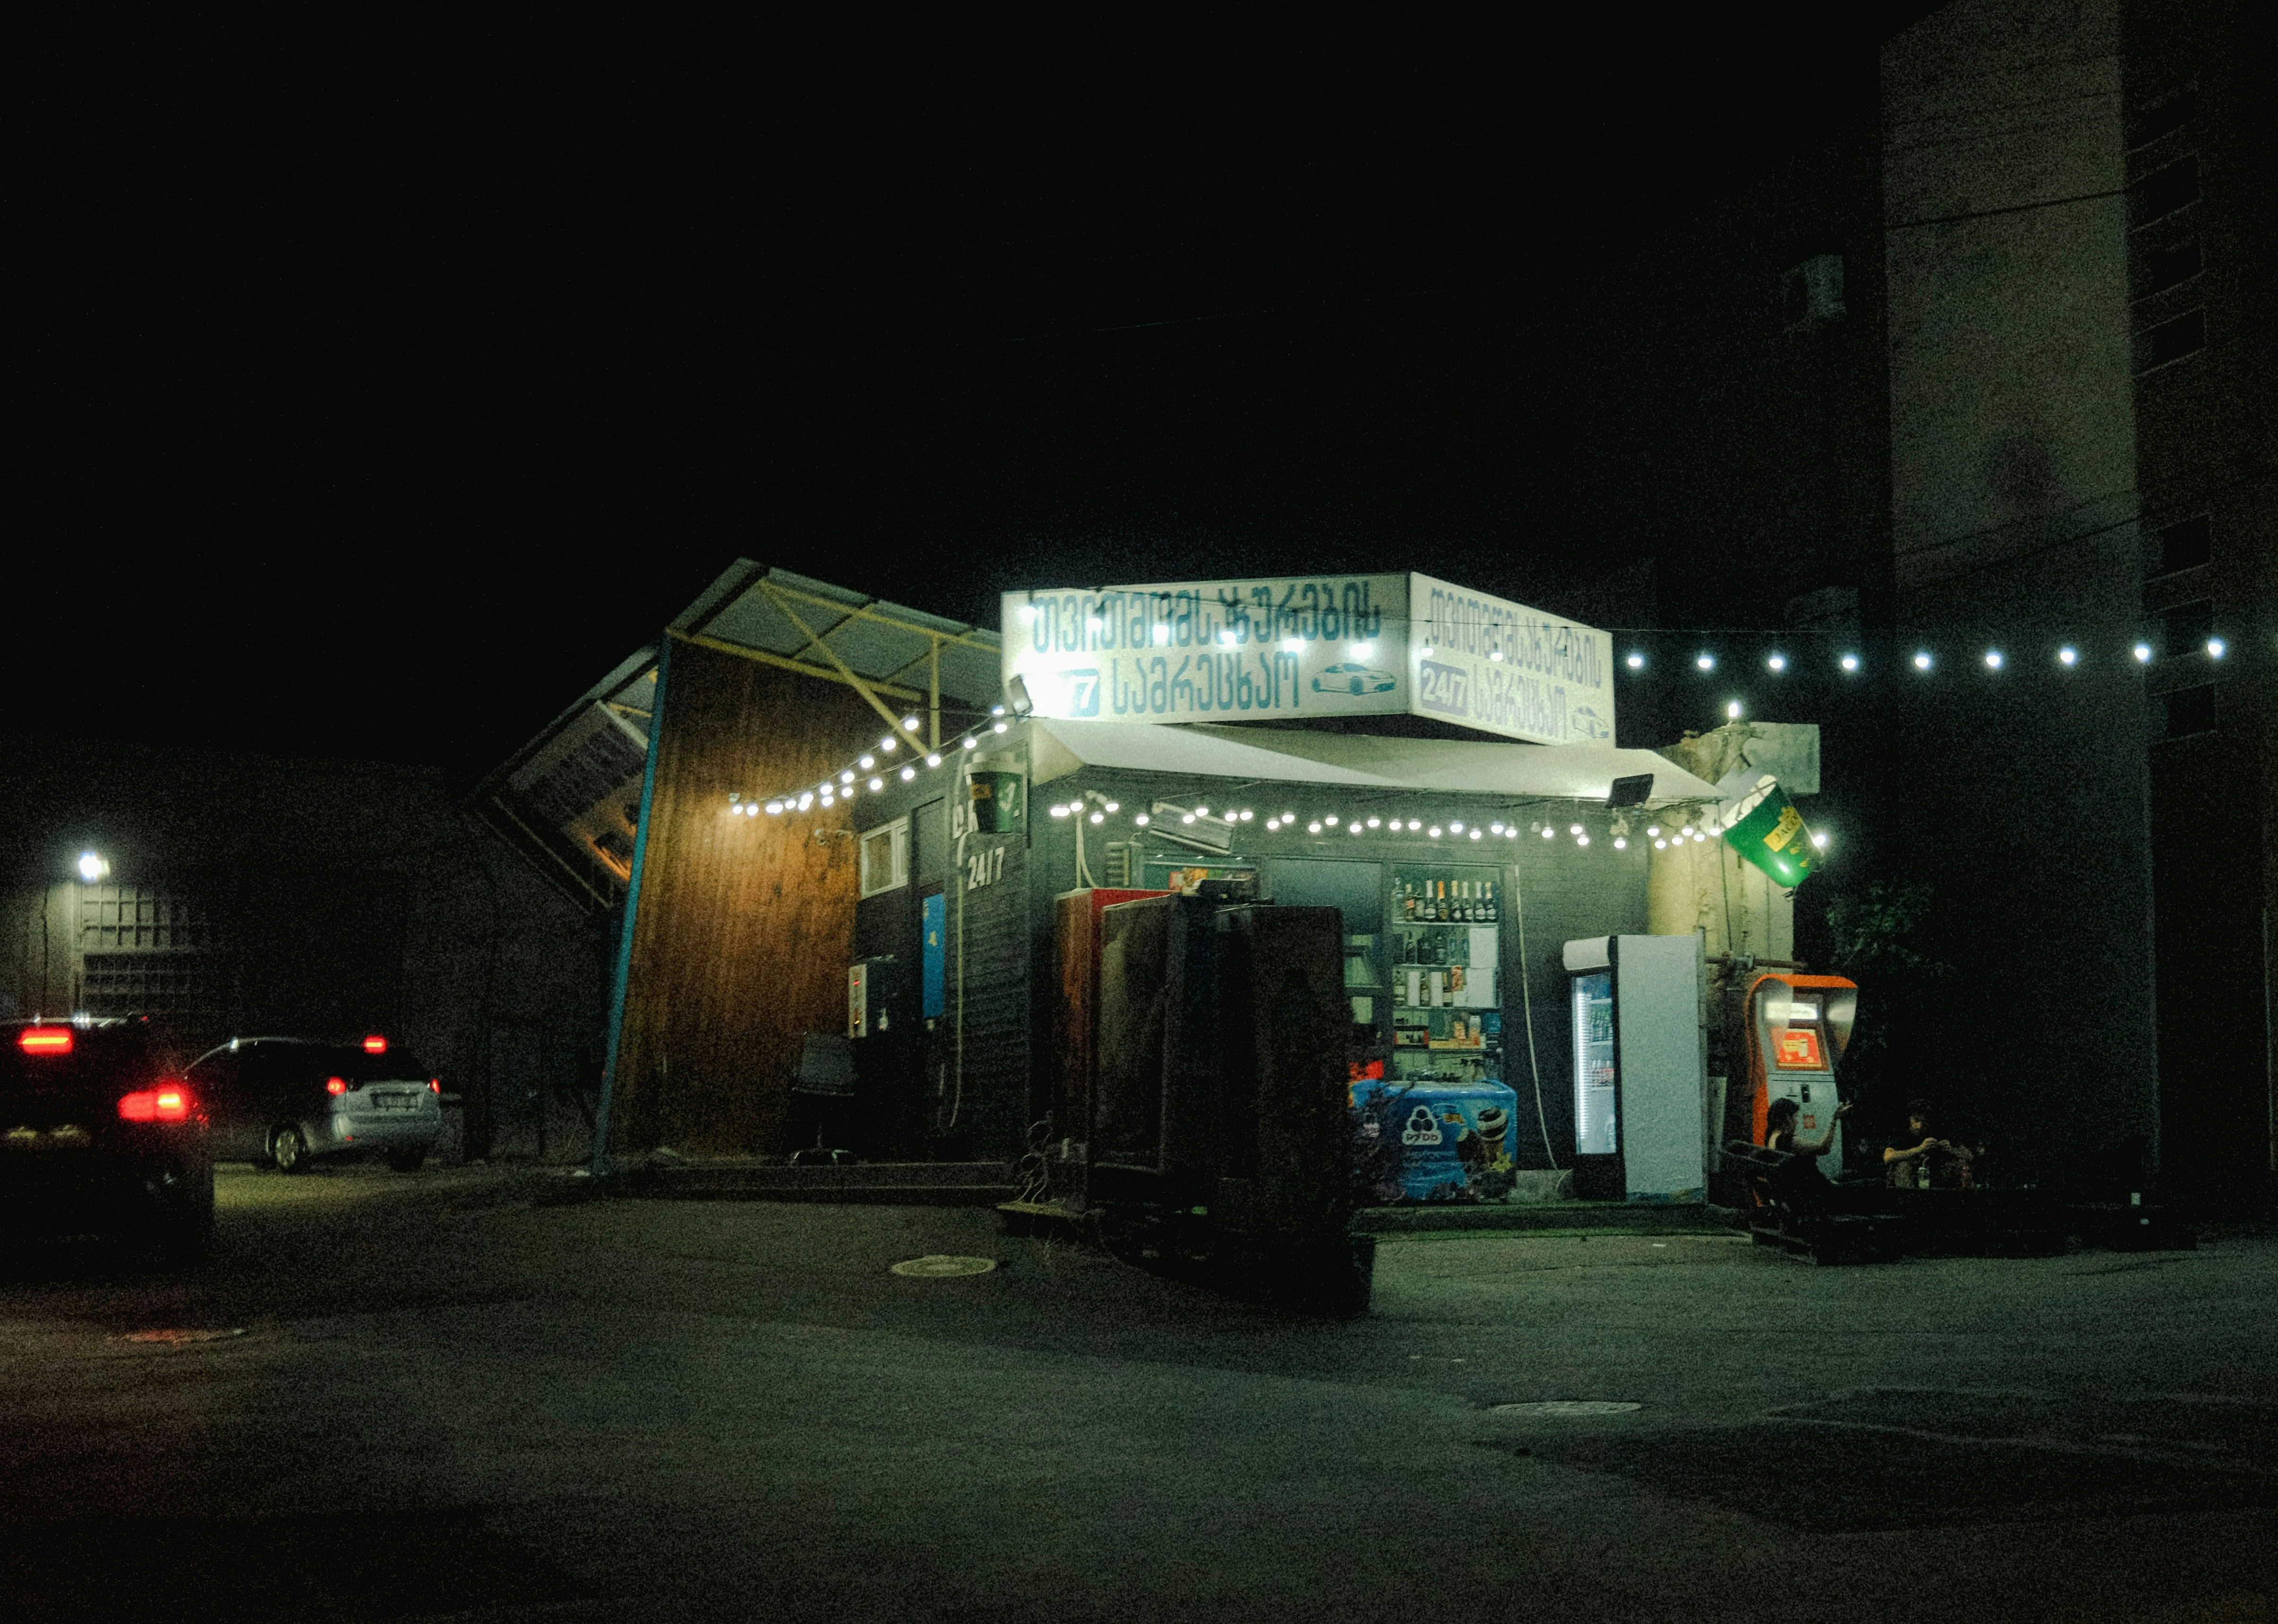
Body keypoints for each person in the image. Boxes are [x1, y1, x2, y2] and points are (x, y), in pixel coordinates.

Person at [1885, 1101, 1972, 1189]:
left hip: (1936, 1172)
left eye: (1924, 1121)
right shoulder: (1902, 1133)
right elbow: (1888, 1157)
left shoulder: (1939, 1130)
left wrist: (1952, 1150)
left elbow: (1969, 1156)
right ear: (1911, 1119)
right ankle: (1908, 1199)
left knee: (1961, 1165)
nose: (1920, 1126)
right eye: (1917, 1120)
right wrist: (1920, 1149)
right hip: (1911, 1173)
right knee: (1903, 1167)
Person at [1765, 1096, 1849, 1158]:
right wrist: (1834, 1120)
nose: (1797, 1122)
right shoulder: (1786, 1141)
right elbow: (1823, 1148)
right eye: (1796, 1117)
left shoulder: (1771, 1137)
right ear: (1788, 1118)